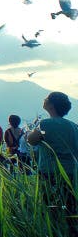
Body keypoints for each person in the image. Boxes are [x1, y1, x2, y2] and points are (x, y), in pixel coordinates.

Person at [27, 91, 78, 222]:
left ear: (51, 105)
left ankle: (54, 232)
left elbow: (32, 139)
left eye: (46, 98)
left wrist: (34, 129)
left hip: (50, 172)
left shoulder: (45, 124)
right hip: (72, 172)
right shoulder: (74, 126)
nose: (44, 99)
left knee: (51, 206)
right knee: (70, 205)